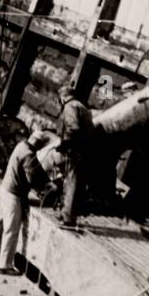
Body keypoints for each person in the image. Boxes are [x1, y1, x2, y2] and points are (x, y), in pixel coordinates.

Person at [0, 130, 46, 275]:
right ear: (38, 144)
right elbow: (33, 175)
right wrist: (46, 186)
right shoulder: (28, 154)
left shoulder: (21, 146)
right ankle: (4, 265)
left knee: (0, 221)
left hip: (6, 187)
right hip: (14, 193)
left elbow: (34, 167)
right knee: (12, 229)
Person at [57, 83, 93, 227]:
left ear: (62, 96)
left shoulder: (70, 107)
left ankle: (68, 218)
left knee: (71, 182)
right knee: (77, 184)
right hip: (85, 151)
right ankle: (69, 213)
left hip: (75, 150)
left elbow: (74, 127)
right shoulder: (82, 107)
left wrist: (65, 143)